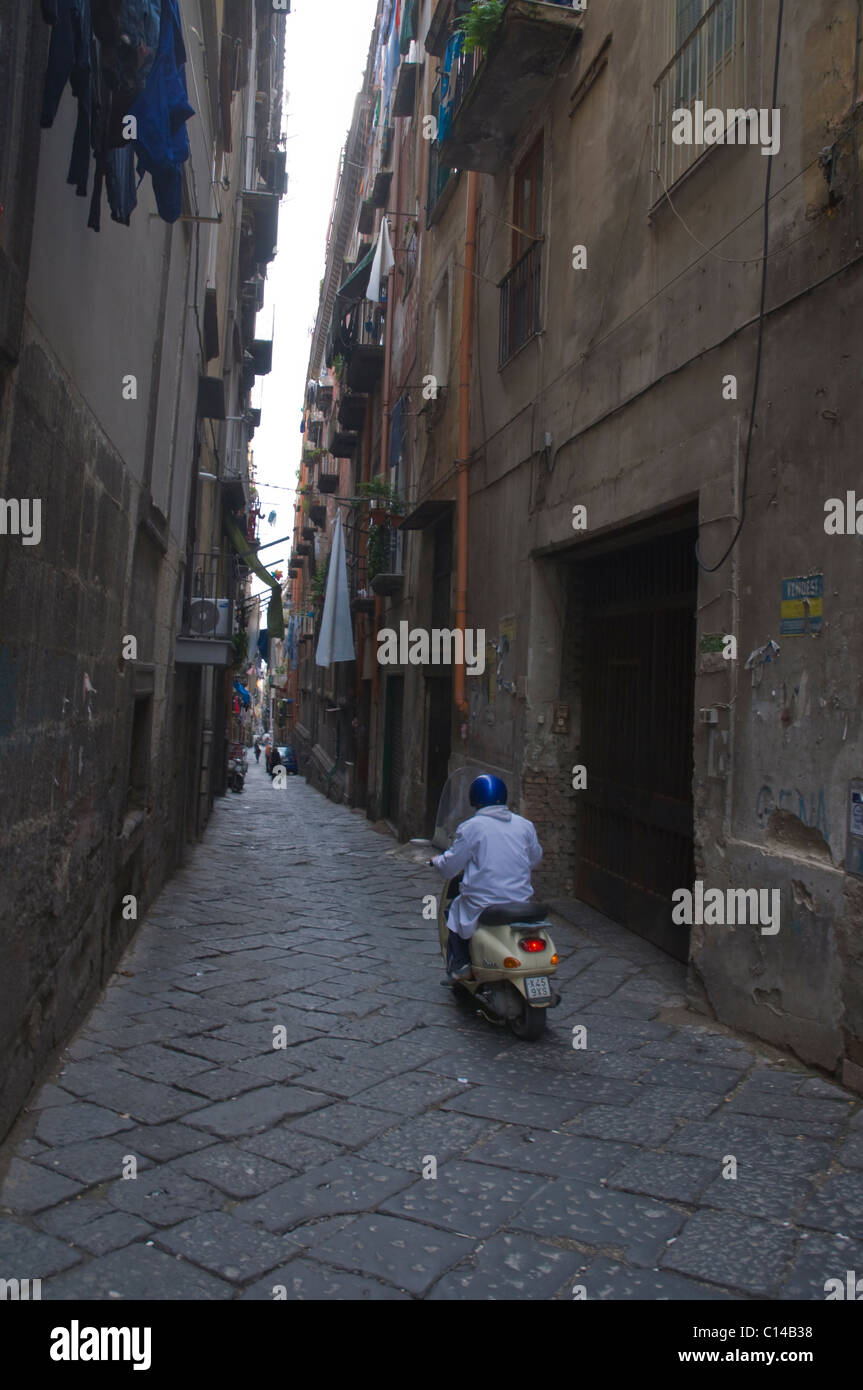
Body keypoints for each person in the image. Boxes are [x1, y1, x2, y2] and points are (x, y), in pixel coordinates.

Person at [430, 774, 542, 981]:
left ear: (475, 798)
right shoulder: (525, 825)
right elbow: (535, 858)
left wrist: (436, 861)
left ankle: (462, 963)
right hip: (520, 900)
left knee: (454, 910)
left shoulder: (471, 827)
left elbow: (451, 865)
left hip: (484, 902)